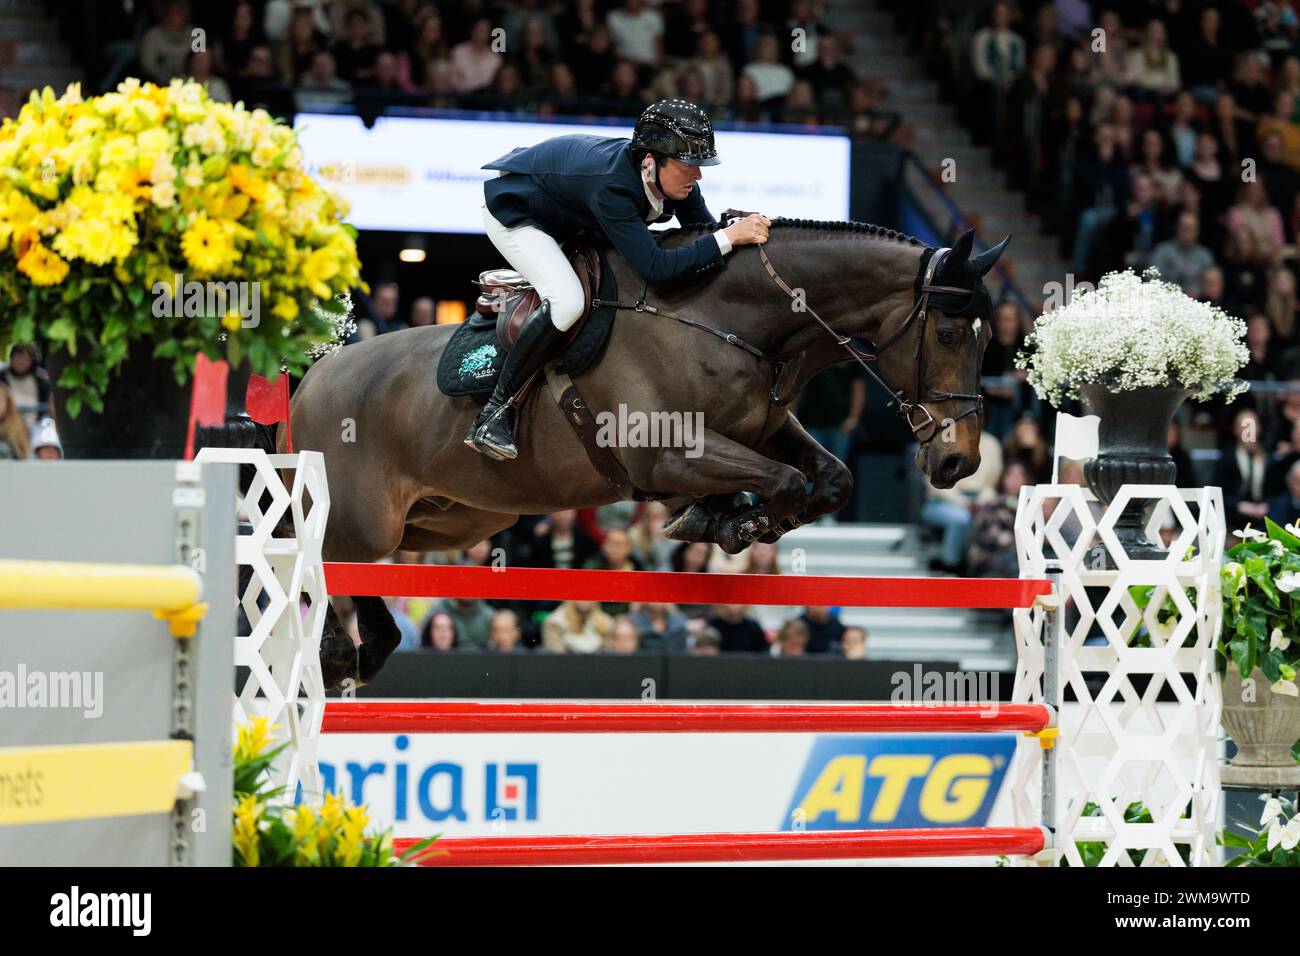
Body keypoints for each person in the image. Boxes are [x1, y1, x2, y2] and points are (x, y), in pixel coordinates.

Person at [469, 100, 771, 459]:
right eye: (688, 164)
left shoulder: (674, 181)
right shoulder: (614, 188)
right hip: (516, 210)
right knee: (568, 302)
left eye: (700, 164)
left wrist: (739, 235)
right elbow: (657, 269)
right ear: (650, 160)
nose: (698, 175)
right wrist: (729, 237)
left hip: (570, 210)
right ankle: (495, 412)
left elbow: (701, 233)